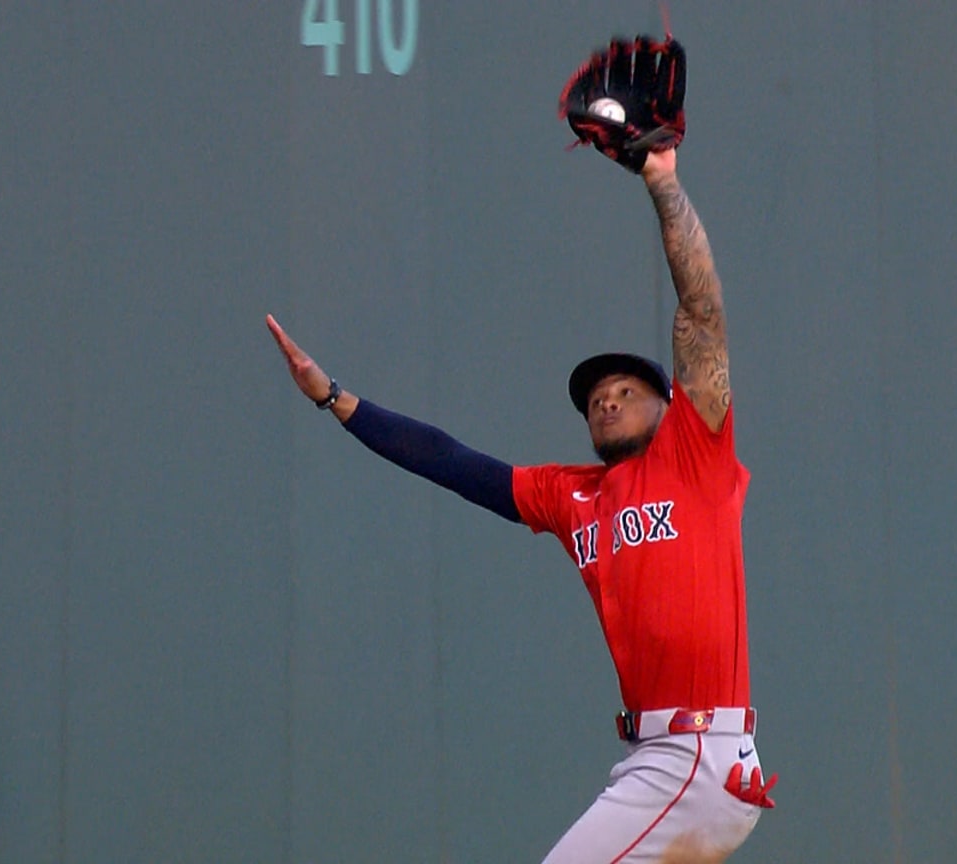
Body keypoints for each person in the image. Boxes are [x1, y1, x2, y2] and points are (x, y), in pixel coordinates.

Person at [266, 147, 774, 863]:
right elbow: (454, 463)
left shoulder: (696, 455)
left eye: (627, 388)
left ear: (672, 402)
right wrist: (335, 399)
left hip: (695, 755)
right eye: (596, 397)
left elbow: (700, 313)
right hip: (663, 754)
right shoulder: (574, 497)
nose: (606, 397)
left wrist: (662, 181)